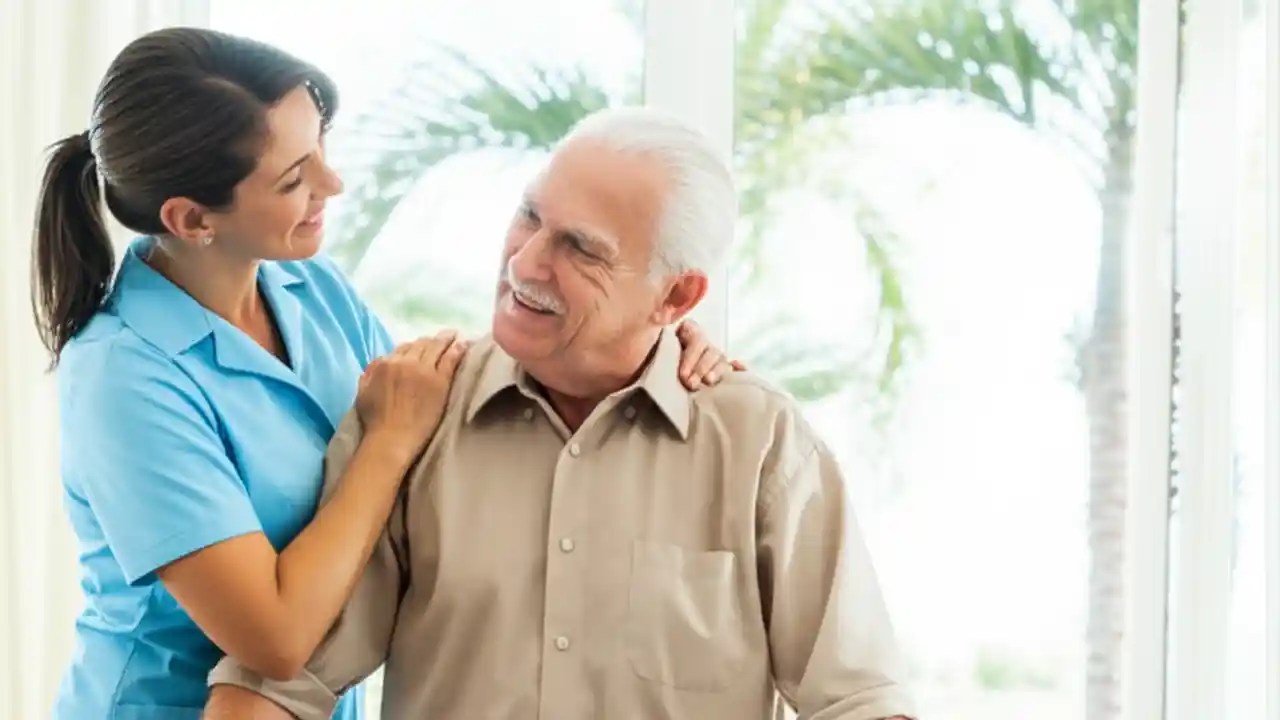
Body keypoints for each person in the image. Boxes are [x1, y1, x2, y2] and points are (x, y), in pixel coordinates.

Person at [33, 28, 735, 720]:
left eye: (321, 146)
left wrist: (644, 334)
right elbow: (273, 638)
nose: (331, 183)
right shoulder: (123, 377)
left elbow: (439, 405)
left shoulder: (311, 287)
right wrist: (388, 442)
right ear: (191, 219)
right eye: (294, 177)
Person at [206, 107, 916, 720]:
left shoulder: (759, 441)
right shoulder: (411, 418)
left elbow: (857, 699)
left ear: (675, 299)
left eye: (582, 249)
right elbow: (279, 687)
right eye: (530, 217)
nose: (527, 263)